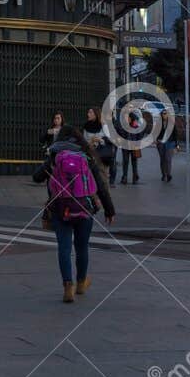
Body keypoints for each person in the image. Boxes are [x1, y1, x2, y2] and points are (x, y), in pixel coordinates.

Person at [34, 123, 115, 302]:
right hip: (84, 208)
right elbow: (100, 186)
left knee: (64, 248)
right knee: (82, 247)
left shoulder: (55, 154)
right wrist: (109, 210)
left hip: (60, 207)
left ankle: (67, 286)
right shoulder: (86, 155)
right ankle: (81, 282)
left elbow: (36, 176)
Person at [84, 106, 116, 184]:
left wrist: (100, 140)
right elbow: (84, 140)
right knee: (91, 178)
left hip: (102, 155)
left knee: (103, 179)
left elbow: (110, 140)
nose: (88, 114)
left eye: (90, 112)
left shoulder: (104, 126)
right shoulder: (86, 126)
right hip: (90, 154)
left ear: (96, 114)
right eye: (88, 112)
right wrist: (91, 141)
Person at [156, 118, 178, 182]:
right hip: (161, 143)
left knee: (168, 159)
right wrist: (157, 139)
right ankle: (163, 174)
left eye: (165, 113)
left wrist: (176, 144)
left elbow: (175, 133)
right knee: (162, 159)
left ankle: (168, 174)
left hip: (170, 142)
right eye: (163, 113)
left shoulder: (171, 123)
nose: (164, 115)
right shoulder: (159, 123)